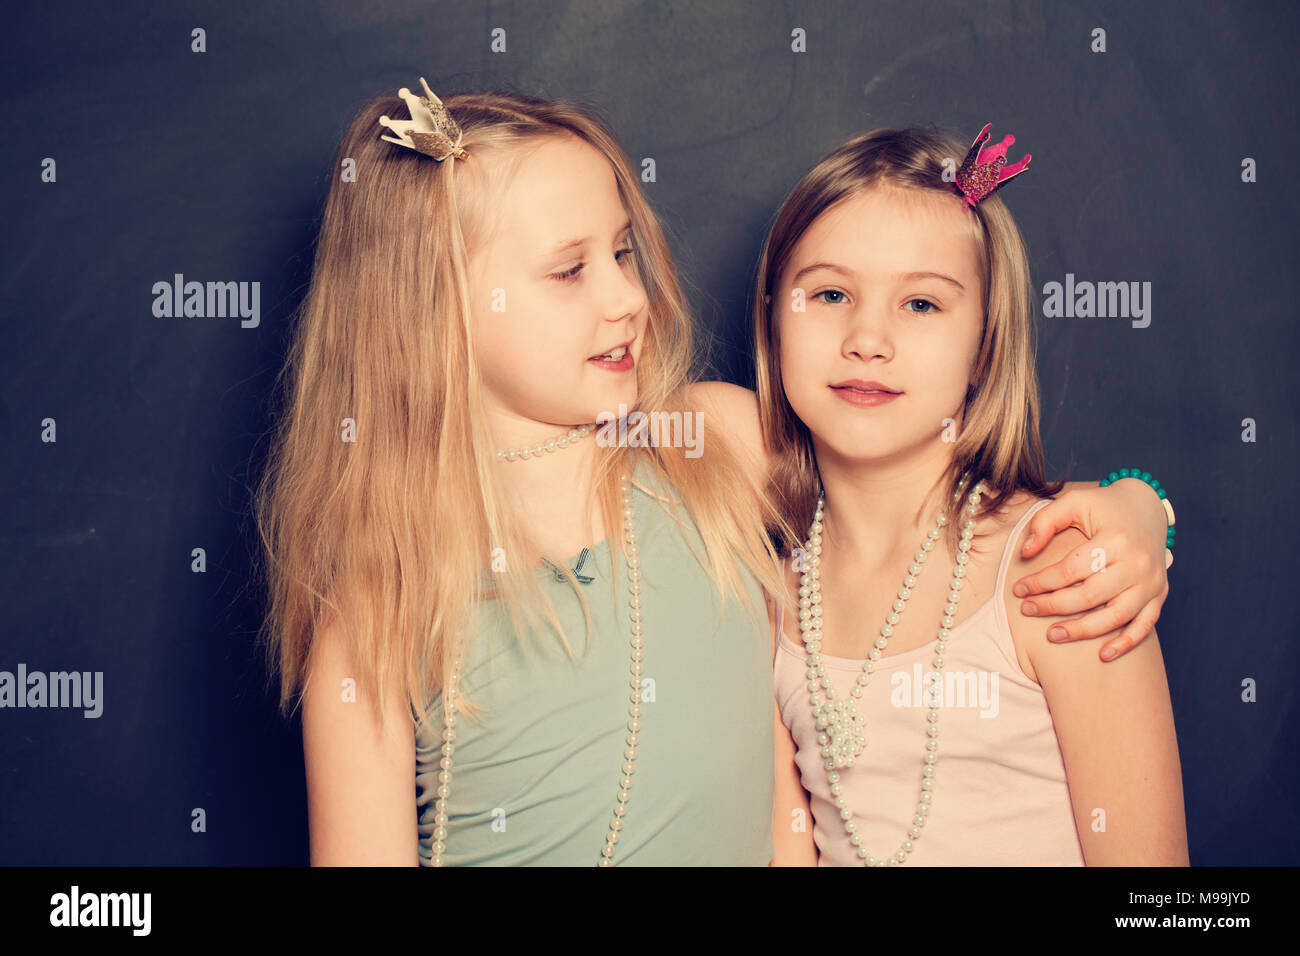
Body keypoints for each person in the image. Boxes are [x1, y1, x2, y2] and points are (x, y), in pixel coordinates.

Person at [254, 85, 1174, 865]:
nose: (628, 296)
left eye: (623, 253)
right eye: (569, 271)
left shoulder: (705, 444)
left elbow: (894, 472)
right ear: (433, 308)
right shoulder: (382, 590)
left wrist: (1138, 506)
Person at [758, 125, 1186, 865]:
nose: (868, 337)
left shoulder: (1057, 571)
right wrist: (1147, 499)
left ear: (986, 344)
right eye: (830, 294)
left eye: (921, 305)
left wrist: (1143, 507)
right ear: (774, 316)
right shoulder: (770, 602)